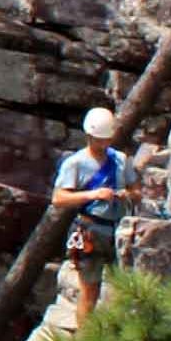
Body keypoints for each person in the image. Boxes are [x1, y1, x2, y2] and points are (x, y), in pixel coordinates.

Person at [50, 106, 134, 327]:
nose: (104, 144)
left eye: (107, 139)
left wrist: (127, 194)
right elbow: (59, 198)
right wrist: (93, 194)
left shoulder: (121, 161)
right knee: (89, 290)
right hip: (89, 230)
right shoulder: (75, 163)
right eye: (99, 140)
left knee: (123, 289)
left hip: (117, 231)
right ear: (89, 136)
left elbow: (137, 190)